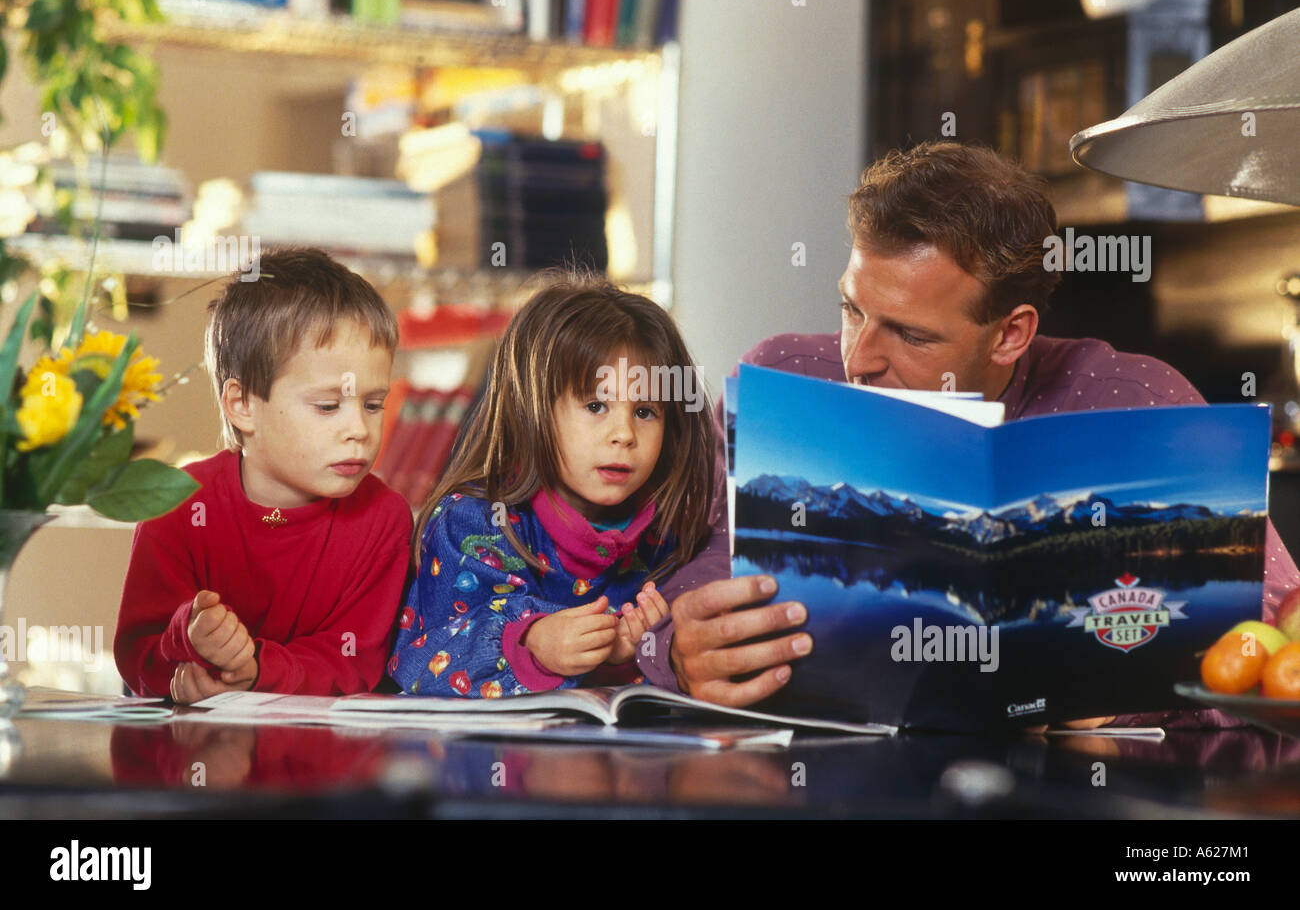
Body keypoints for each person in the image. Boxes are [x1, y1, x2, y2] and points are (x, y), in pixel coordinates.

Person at [639, 141, 1300, 726]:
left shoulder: (1143, 403)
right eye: (851, 309)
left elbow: (1272, 631)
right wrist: (673, 650)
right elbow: (668, 584)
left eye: (910, 333)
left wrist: (1121, 696)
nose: (859, 359)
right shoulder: (779, 380)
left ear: (1011, 333)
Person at [388, 276, 715, 697]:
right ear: (535, 411)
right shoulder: (472, 522)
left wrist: (640, 653)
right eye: (596, 405)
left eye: (646, 411)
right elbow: (418, 662)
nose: (624, 434)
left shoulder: (671, 535)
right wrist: (531, 645)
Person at [114, 247, 413, 702]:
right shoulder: (176, 506)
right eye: (328, 406)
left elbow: (355, 663)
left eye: (374, 404)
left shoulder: (385, 520)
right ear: (243, 405)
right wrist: (187, 646)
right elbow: (140, 656)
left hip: (325, 762)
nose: (359, 429)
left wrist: (256, 668)